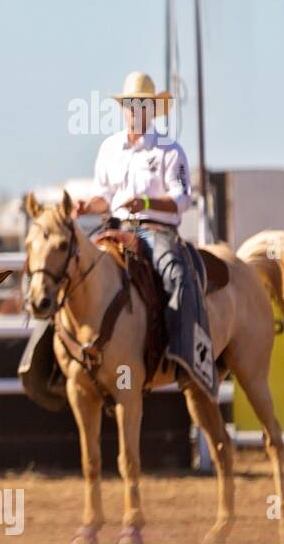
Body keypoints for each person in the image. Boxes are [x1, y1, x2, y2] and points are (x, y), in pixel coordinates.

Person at [75, 71, 215, 395]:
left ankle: (183, 352)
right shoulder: (110, 148)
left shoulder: (169, 150)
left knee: (175, 273)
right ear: (124, 109)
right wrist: (86, 206)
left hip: (156, 231)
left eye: (142, 105)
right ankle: (59, 355)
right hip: (117, 228)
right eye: (130, 105)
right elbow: (103, 197)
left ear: (153, 110)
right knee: (78, 268)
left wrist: (147, 201)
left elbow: (182, 200)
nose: (136, 111)